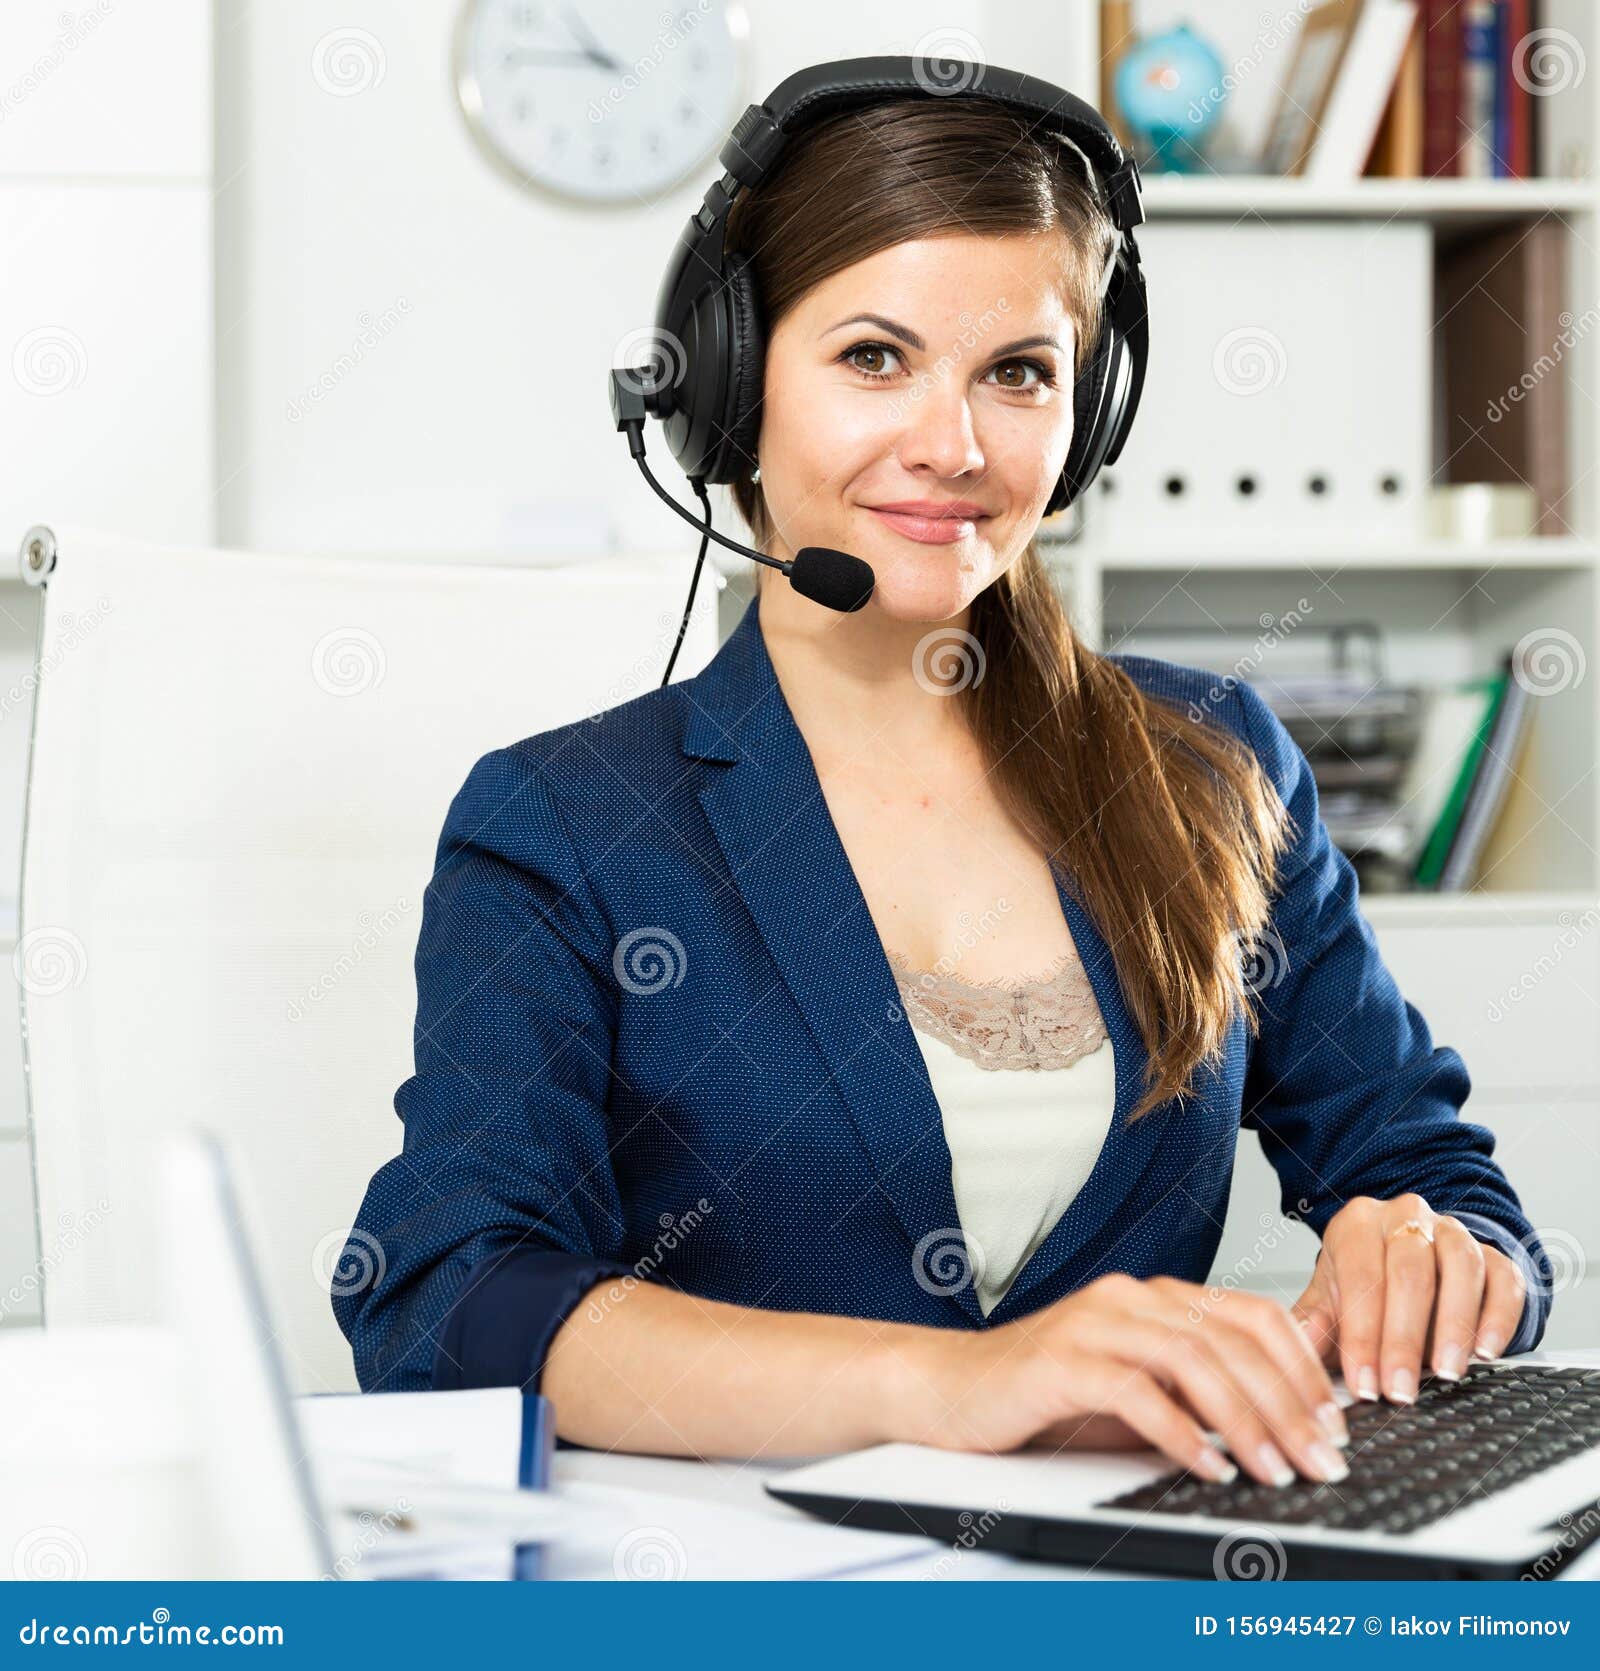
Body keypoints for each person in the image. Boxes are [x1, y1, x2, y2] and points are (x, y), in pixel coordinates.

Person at [333, 83, 1550, 1491]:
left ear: (1087, 417)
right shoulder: (569, 821)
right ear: (729, 386)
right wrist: (953, 1385)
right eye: (872, 356)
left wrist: (1439, 1263)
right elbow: (447, 1299)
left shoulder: (1211, 762)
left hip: (1145, 1573)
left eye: (1019, 373)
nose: (955, 445)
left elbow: (1453, 1191)